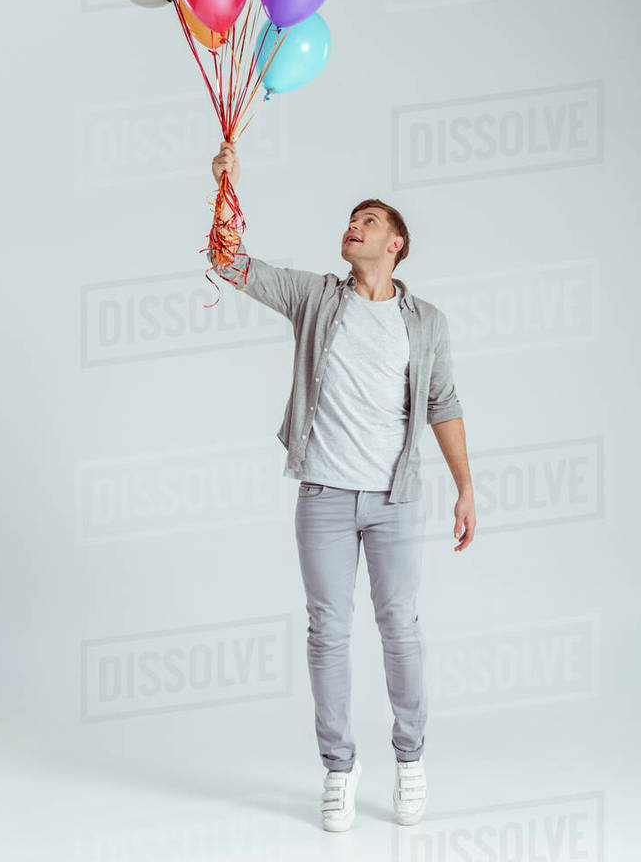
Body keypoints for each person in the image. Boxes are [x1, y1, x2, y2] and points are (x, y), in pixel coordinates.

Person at [208, 139, 476, 832]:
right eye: (350, 218)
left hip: (392, 502)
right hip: (323, 496)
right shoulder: (314, 299)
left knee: (400, 627)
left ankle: (410, 761)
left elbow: (442, 404)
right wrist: (226, 189)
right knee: (326, 631)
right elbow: (229, 263)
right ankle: (338, 770)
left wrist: (464, 488)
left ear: (396, 243)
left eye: (368, 220)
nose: (353, 226)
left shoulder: (425, 324)